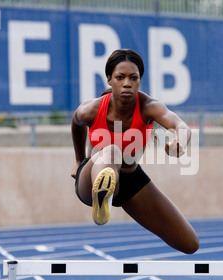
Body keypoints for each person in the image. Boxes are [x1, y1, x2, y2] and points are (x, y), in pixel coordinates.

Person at [71, 49, 199, 254]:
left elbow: (181, 126)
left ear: (140, 81)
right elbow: (76, 123)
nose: (127, 83)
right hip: (92, 176)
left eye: (133, 78)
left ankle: (111, 190)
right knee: (111, 152)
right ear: (109, 80)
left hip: (130, 181)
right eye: (120, 78)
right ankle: (103, 196)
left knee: (190, 244)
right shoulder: (92, 110)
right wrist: (79, 161)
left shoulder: (149, 107)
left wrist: (179, 142)